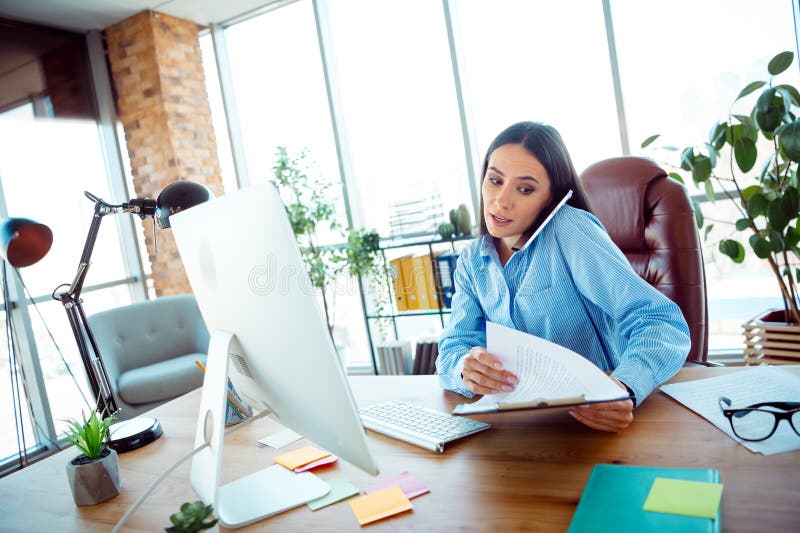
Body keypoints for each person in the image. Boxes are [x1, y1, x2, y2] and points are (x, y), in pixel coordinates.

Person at [436, 121, 690, 432]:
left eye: (525, 188)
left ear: (551, 198)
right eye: (495, 180)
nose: (501, 200)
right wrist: (465, 367)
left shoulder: (569, 230)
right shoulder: (472, 259)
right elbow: (455, 345)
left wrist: (624, 386)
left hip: (592, 423)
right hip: (521, 430)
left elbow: (662, 322)